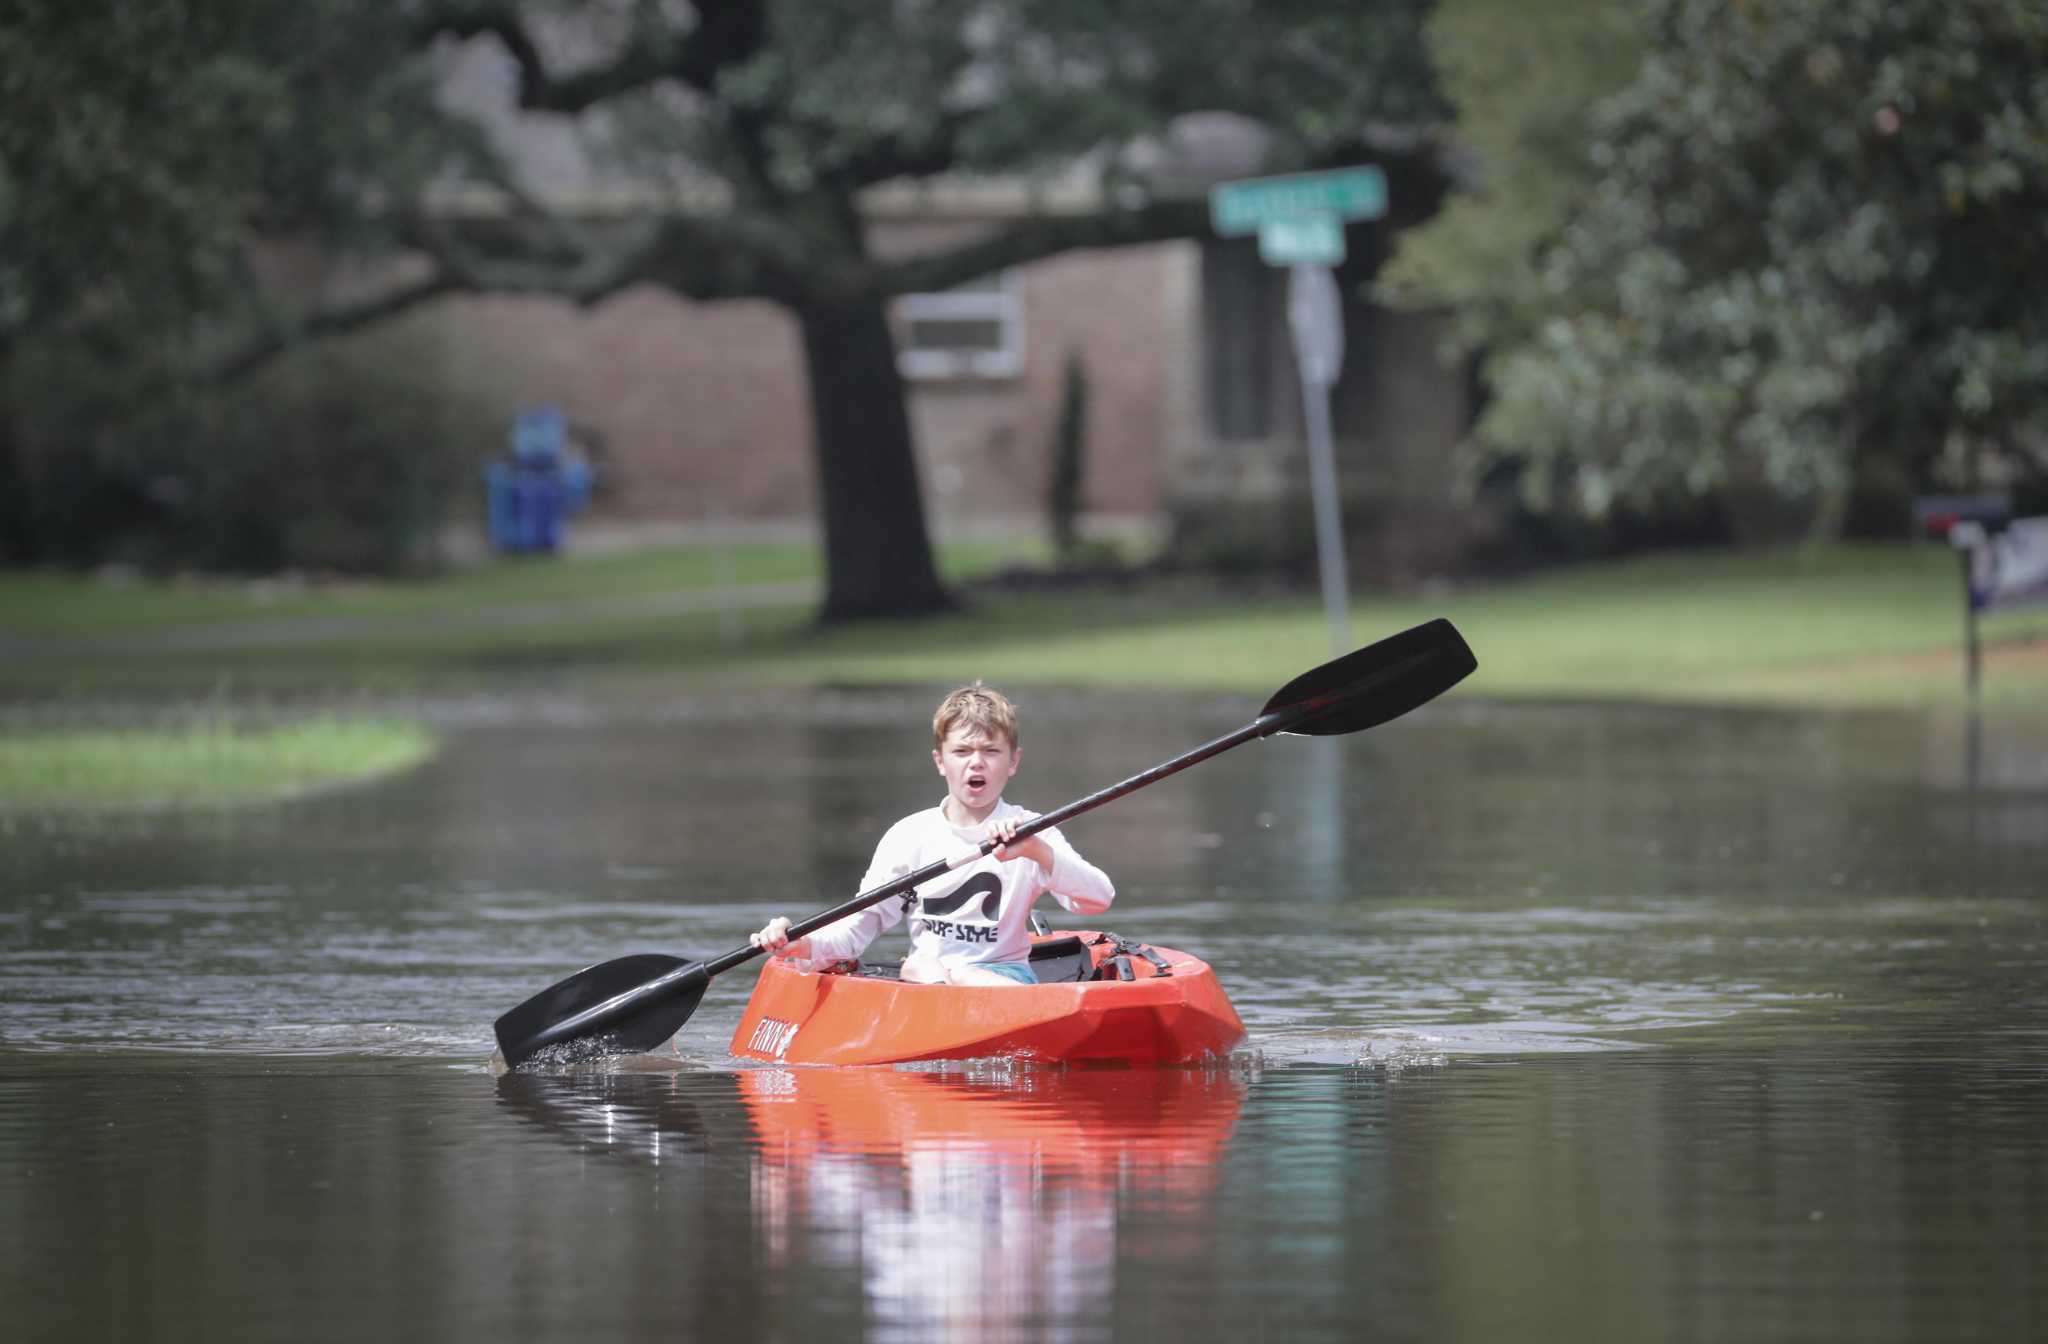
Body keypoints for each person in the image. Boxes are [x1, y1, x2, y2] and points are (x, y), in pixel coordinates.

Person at [750, 682, 1113, 986]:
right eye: (962, 751)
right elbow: (858, 929)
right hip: (928, 978)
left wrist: (1037, 851)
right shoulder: (910, 835)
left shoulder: (1032, 830)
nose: (976, 762)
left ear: (1013, 761)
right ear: (940, 761)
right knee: (924, 967)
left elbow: (1098, 898)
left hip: (1004, 978)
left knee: (967, 976)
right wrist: (799, 943)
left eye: (991, 751)